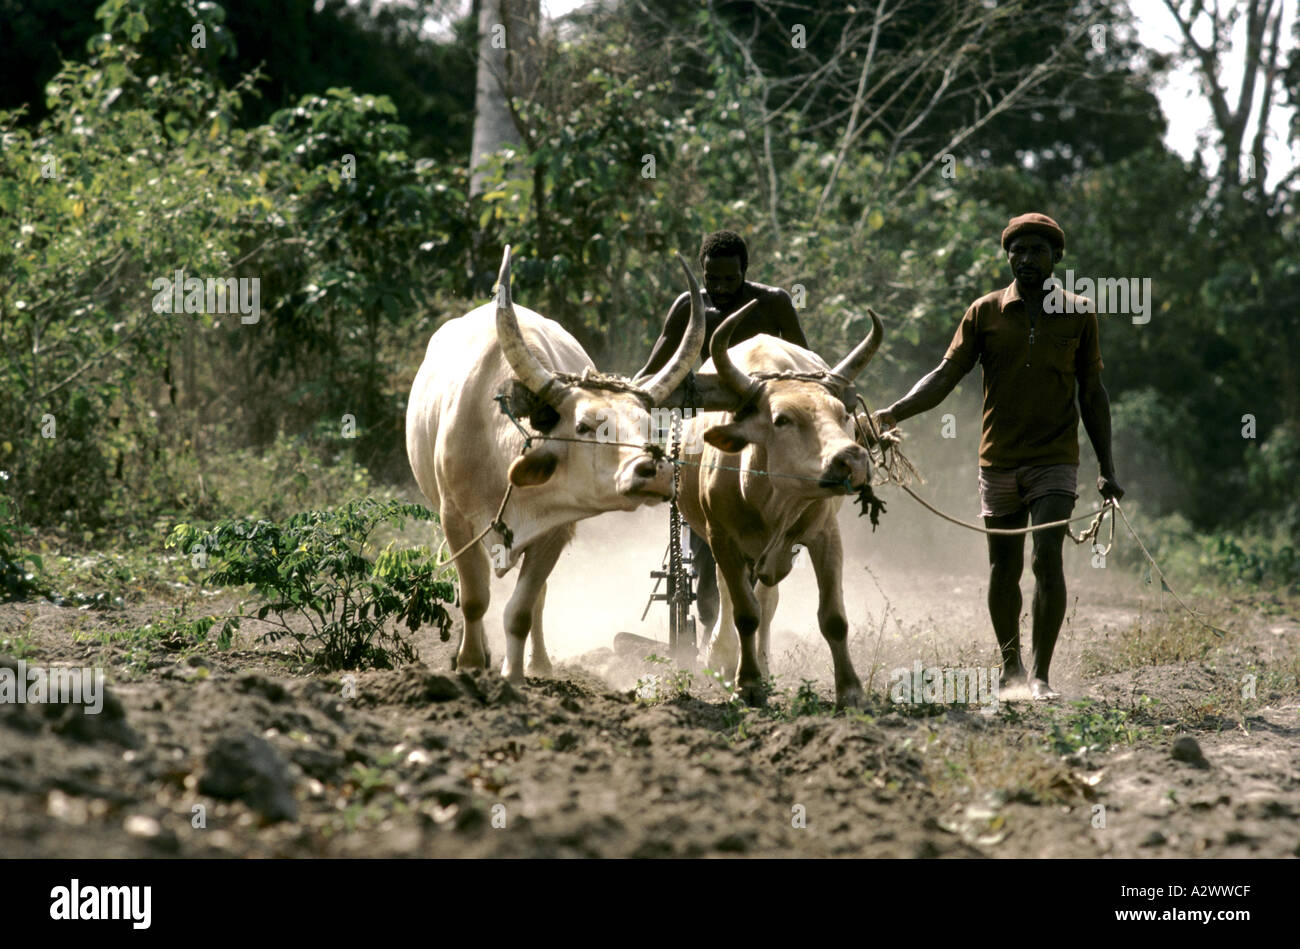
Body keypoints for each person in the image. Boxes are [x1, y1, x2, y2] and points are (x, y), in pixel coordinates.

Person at [873, 213, 1124, 700]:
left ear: (1057, 259)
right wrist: (895, 412)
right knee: (1002, 568)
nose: (1027, 259)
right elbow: (945, 376)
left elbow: (1093, 393)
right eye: (1019, 250)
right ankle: (1010, 668)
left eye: (1037, 250)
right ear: (1008, 256)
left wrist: (1107, 470)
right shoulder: (984, 312)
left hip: (1056, 459)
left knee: (1047, 560)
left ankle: (1041, 676)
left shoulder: (1080, 313)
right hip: (999, 461)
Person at [638, 230, 809, 634]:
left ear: (745, 273)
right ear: (703, 274)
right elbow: (654, 371)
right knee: (708, 533)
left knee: (782, 516)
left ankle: (758, 593)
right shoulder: (690, 307)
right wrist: (621, 397)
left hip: (768, 427)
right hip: (709, 425)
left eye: (730, 280)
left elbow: (806, 368)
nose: (720, 289)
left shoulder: (775, 303)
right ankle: (714, 618)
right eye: (712, 280)